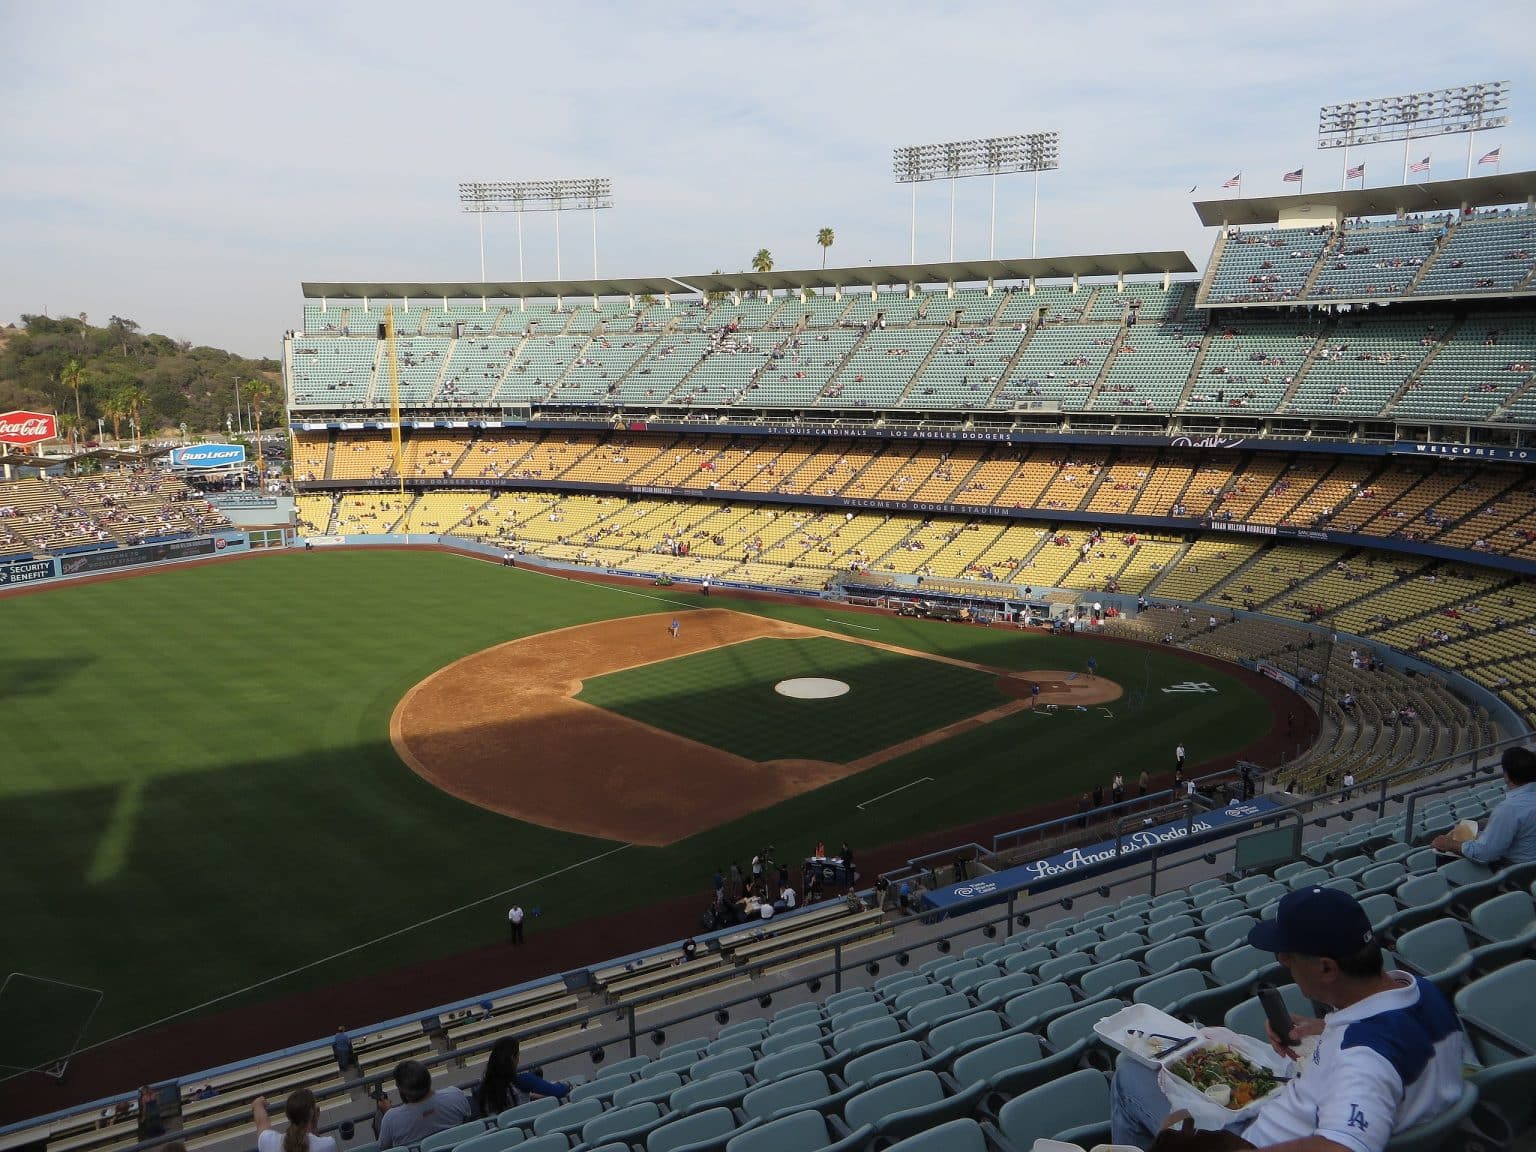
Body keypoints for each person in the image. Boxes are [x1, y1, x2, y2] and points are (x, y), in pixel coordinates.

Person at [1110, 886, 1464, 1151]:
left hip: (1256, 1140)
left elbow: (1345, 1146)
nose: (1282, 962)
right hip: (1286, 1109)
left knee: (1130, 1073)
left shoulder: (1364, 1060)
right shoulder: (1419, 991)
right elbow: (1398, 1040)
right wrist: (1322, 1031)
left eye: (1286, 957)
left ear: (1326, 967)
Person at [1432, 745, 1536, 865]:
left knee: (1443, 853)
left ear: (1507, 776)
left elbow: (1485, 853)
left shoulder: (1509, 809)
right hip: (1529, 869)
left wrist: (1449, 844)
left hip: (1516, 873)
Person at [376, 1060, 473, 1145]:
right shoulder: (455, 1095)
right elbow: (468, 1119)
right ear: (428, 1079)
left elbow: (384, 1148)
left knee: (377, 1118)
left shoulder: (390, 1119)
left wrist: (387, 1113)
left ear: (401, 1089)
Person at [470, 1037, 570, 1117]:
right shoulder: (523, 1080)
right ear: (513, 1058)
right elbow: (558, 1091)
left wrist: (531, 1096)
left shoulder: (482, 1088)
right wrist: (567, 1085)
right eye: (518, 1055)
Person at [254, 1090, 337, 1152]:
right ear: (312, 1113)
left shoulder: (268, 1142)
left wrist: (258, 1104)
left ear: (287, 1114)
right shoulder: (328, 1144)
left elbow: (261, 1122)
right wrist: (314, 1126)